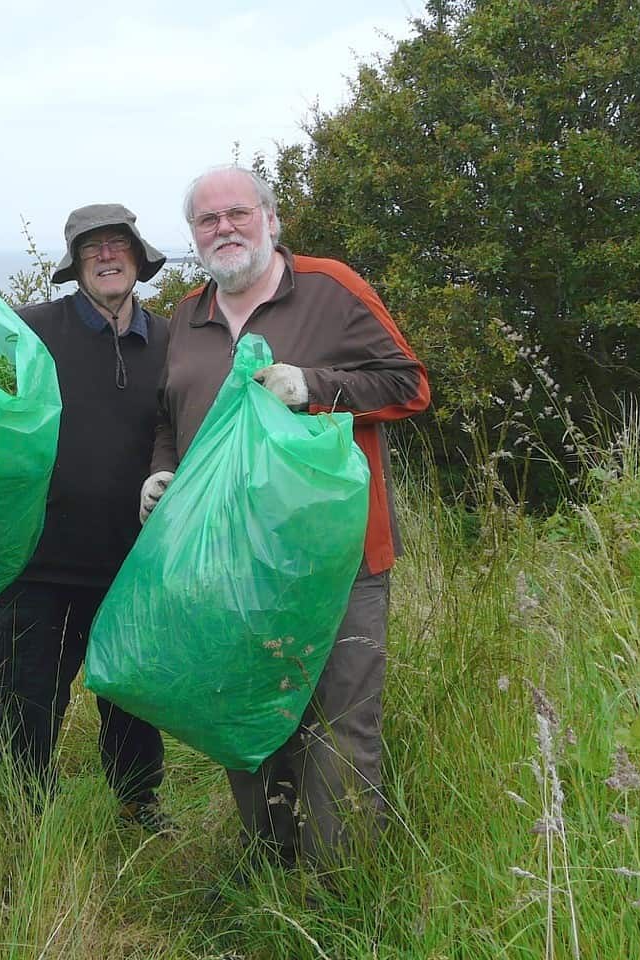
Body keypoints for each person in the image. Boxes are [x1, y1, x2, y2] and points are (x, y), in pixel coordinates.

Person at [141, 167, 430, 869]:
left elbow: (408, 385)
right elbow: (169, 419)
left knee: (339, 727)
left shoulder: (330, 288)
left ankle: (340, 895)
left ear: (271, 218)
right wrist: (160, 471)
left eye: (237, 213)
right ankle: (272, 872)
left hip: (338, 560)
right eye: (207, 221)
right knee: (248, 715)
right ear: (193, 237)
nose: (224, 229)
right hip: (230, 565)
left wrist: (315, 387)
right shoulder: (187, 314)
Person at [0, 203, 173, 831]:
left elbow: (190, 425)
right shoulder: (32, 328)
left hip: (136, 560)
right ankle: (24, 813)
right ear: (75, 264)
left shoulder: (171, 342)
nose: (106, 255)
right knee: (28, 695)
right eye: (92, 247)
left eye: (117, 244)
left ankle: (137, 805)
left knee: (130, 695)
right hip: (38, 560)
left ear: (137, 259)